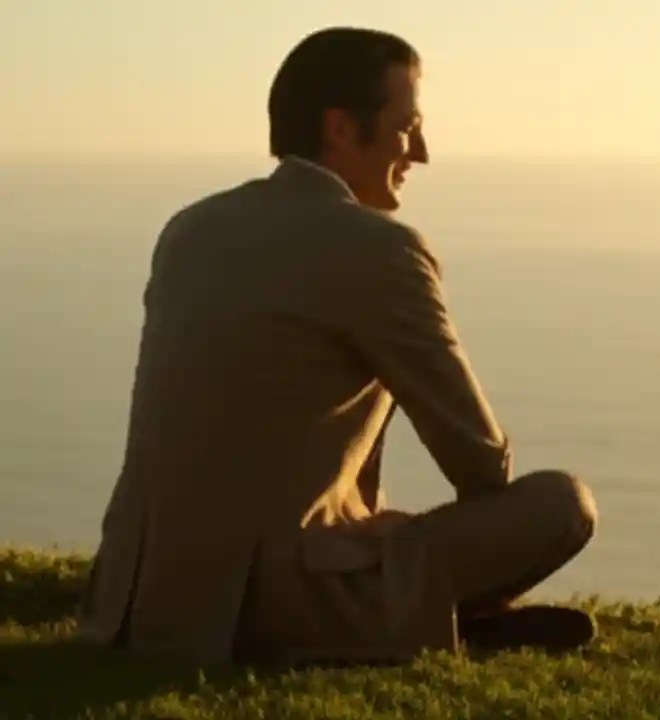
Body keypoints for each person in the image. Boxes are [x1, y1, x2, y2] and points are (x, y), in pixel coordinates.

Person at [76, 26, 599, 666]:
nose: (423, 152)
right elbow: (481, 463)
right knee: (561, 503)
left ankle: (434, 615)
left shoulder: (190, 228)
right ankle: (418, 621)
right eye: (407, 127)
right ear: (343, 129)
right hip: (267, 607)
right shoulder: (382, 251)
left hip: (139, 598)